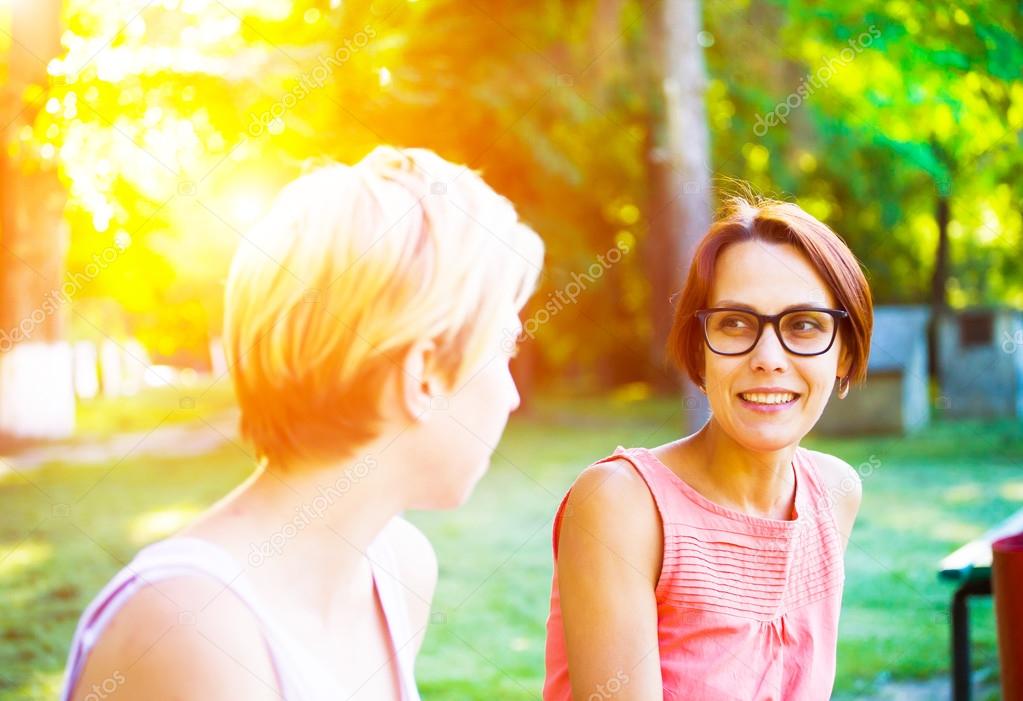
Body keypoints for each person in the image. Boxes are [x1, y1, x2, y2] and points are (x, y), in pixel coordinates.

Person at [61, 146, 544, 701]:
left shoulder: (398, 570)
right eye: (503, 348)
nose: (509, 397)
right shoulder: (191, 631)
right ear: (423, 373)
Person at [544, 195, 873, 700]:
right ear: (699, 350)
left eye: (804, 325)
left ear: (845, 353)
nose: (768, 358)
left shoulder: (835, 492)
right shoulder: (620, 504)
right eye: (735, 323)